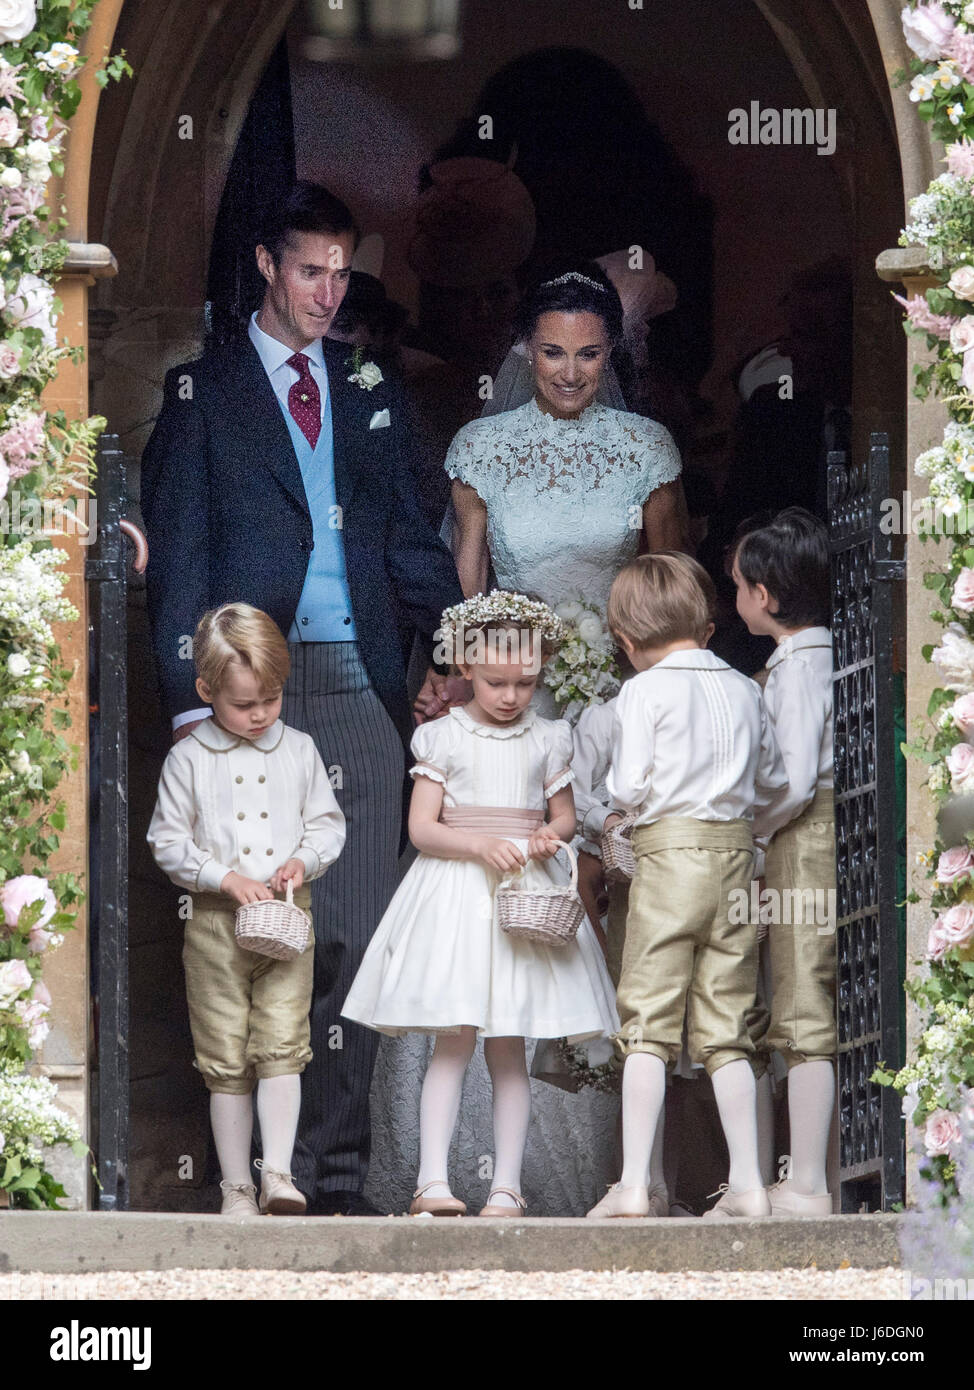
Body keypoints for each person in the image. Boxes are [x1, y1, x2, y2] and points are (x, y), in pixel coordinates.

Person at [141, 181, 464, 1216]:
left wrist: (450, 652)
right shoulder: (203, 393)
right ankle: (257, 1173)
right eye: (311, 269)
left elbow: (412, 535)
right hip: (252, 700)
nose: (329, 291)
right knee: (268, 939)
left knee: (360, 938)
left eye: (341, 270)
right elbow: (181, 563)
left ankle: (332, 1174)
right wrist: (196, 712)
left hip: (361, 685)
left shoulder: (371, 389)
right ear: (268, 267)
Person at [343, 593, 618, 1216]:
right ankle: (432, 1182)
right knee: (453, 1039)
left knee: (509, 1044)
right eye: (496, 681)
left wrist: (552, 834)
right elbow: (422, 829)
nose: (511, 696)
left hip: (525, 896)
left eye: (526, 683)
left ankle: (507, 1186)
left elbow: (567, 816)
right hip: (459, 895)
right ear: (465, 665)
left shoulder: (549, 737)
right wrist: (480, 845)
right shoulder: (442, 737)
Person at [587, 553, 792, 1220]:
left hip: (667, 857)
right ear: (703, 622)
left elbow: (625, 786)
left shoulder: (641, 692)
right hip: (734, 857)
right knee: (729, 1025)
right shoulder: (745, 687)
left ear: (627, 639)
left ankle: (634, 1186)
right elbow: (777, 783)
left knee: (646, 1020)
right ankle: (749, 1184)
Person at [146, 604, 346, 1217]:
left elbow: (327, 824)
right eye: (242, 704)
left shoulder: (301, 749)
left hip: (288, 919)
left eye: (270, 699)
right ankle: (236, 1186)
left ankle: (278, 1174)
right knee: (225, 1052)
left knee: (284, 1041)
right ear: (206, 691)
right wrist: (223, 877)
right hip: (213, 923)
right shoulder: (189, 758)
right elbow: (168, 839)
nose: (259, 715)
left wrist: (303, 861)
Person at [443, 264, 690, 720]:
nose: (571, 374)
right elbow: (468, 592)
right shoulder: (480, 449)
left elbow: (669, 584)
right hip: (514, 691)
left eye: (589, 354)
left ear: (611, 350)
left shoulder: (647, 448)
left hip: (621, 687)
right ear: (527, 350)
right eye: (553, 353)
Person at [731, 508, 837, 1217]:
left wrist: (753, 834)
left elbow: (795, 780)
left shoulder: (796, 669)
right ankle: (808, 1174)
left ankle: (806, 1184)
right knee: (807, 999)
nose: (732, 596)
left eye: (736, 584)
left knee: (800, 1003)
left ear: (764, 598)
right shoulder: (824, 653)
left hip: (802, 837)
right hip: (813, 832)